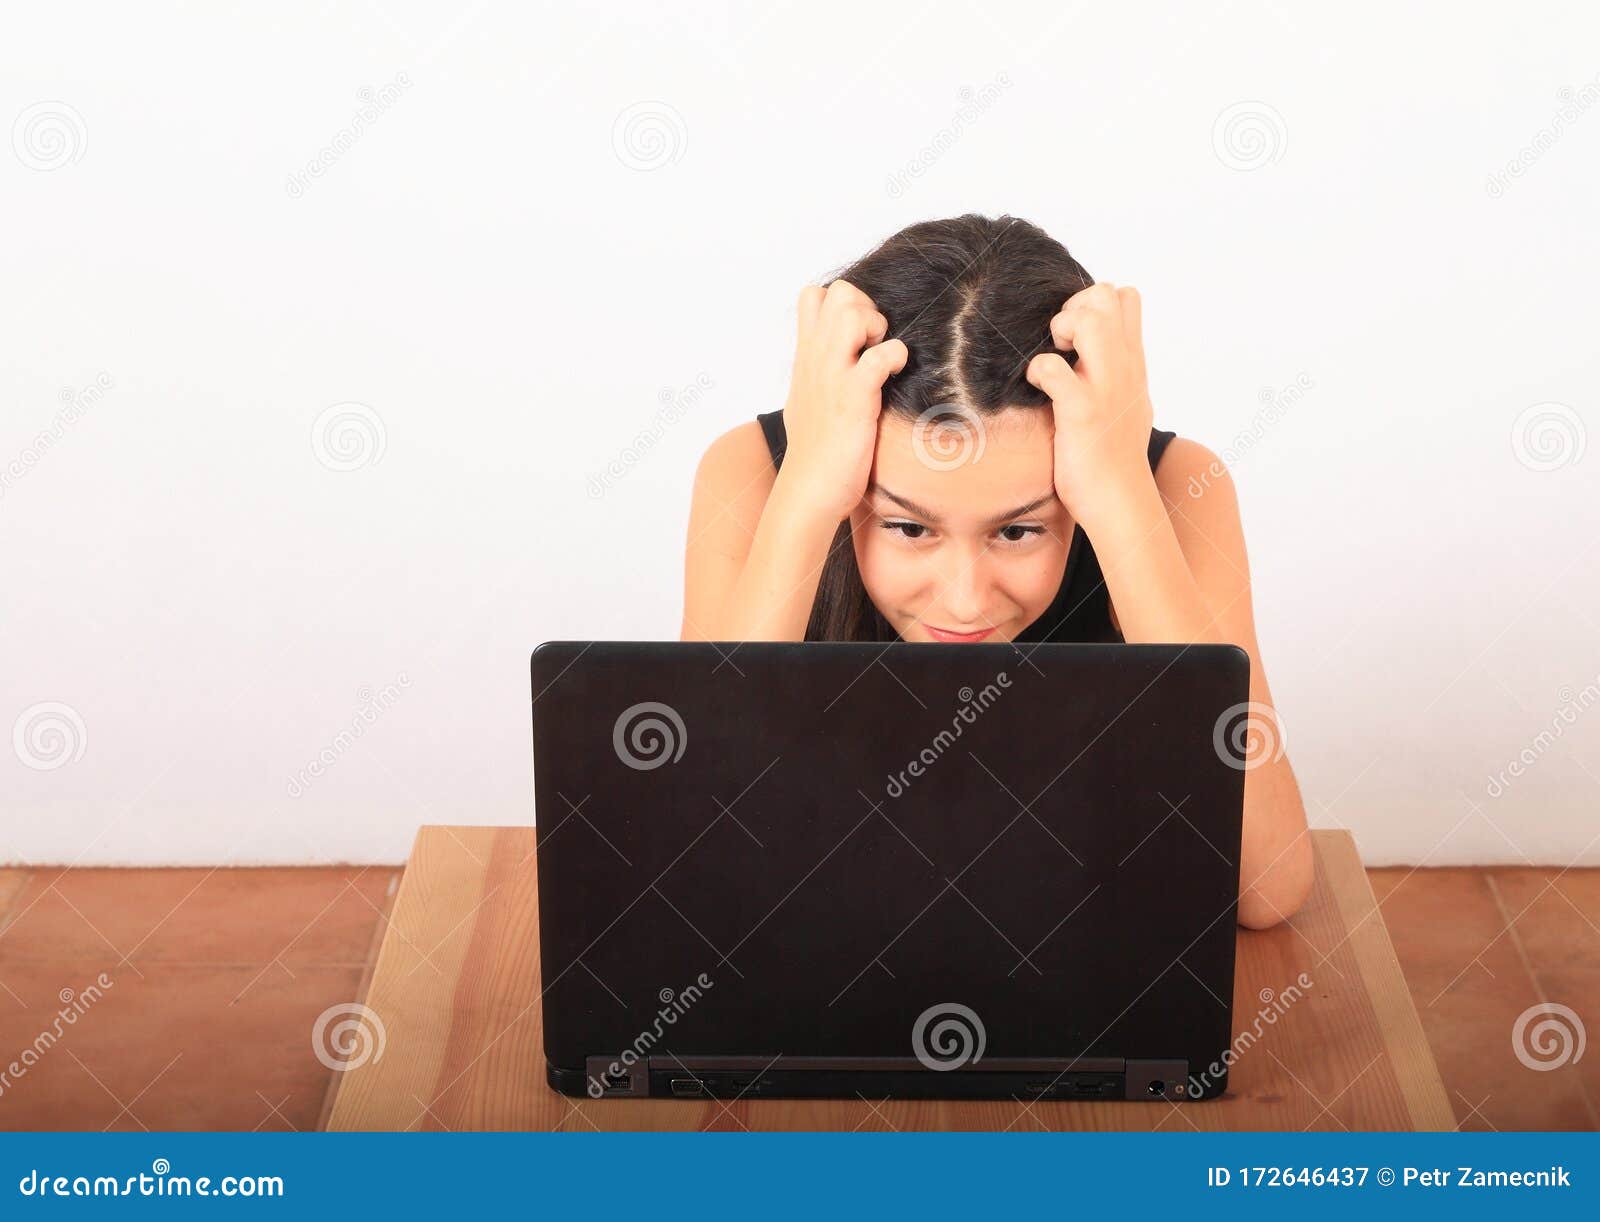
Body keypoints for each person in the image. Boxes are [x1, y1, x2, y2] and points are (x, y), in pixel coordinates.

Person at [681, 213, 1311, 927]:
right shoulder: (754, 477)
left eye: (1018, 529)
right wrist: (806, 493)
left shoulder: (1172, 489)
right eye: (909, 526)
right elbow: (689, 854)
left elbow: (1266, 886)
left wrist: (1122, 498)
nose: (964, 600)